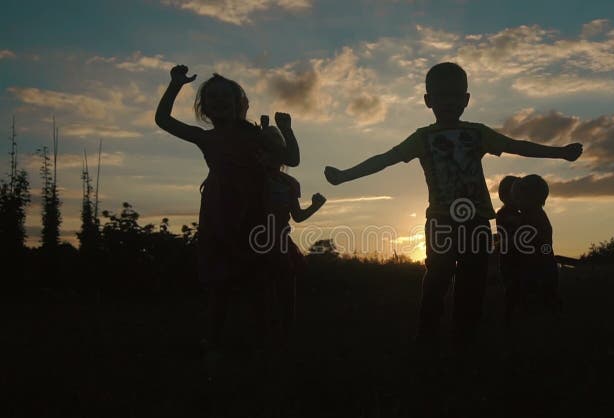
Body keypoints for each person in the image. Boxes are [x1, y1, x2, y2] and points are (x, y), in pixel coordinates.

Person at [324, 62, 582, 348]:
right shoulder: (421, 138)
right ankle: (427, 338)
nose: (448, 102)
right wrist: (344, 176)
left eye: (455, 96)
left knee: (473, 286)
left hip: (477, 222)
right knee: (436, 279)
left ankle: (465, 342)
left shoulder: (477, 133)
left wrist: (559, 153)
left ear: (466, 100)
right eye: (441, 95)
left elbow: (517, 145)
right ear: (428, 100)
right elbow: (385, 159)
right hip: (441, 221)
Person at [155, 64, 300, 361]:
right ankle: (214, 344)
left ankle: (269, 342)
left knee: (260, 284)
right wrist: (175, 85)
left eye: (226, 97)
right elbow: (163, 120)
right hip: (219, 221)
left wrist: (285, 130)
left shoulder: (255, 136)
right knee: (219, 287)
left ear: (239, 104)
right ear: (204, 108)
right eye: (212, 98)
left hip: (254, 220)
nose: (219, 102)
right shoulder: (206, 138)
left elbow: (292, 159)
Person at [257, 142, 326, 351]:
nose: (271, 157)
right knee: (262, 290)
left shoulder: (289, 183)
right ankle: (266, 334)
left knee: (286, 288)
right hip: (255, 240)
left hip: (281, 241)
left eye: (276, 152)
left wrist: (315, 206)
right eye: (266, 151)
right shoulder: (252, 178)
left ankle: (285, 336)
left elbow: (297, 216)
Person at [506, 174, 561, 326]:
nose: (515, 202)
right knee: (545, 297)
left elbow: (522, 241)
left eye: (518, 198)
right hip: (545, 264)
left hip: (535, 266)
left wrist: (507, 242)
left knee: (533, 298)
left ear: (528, 199)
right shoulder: (538, 216)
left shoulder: (530, 219)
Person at [495, 175, 523, 328]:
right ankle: (509, 321)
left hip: (518, 258)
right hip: (509, 258)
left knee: (519, 289)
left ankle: (515, 320)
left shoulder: (519, 214)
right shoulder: (504, 214)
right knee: (512, 289)